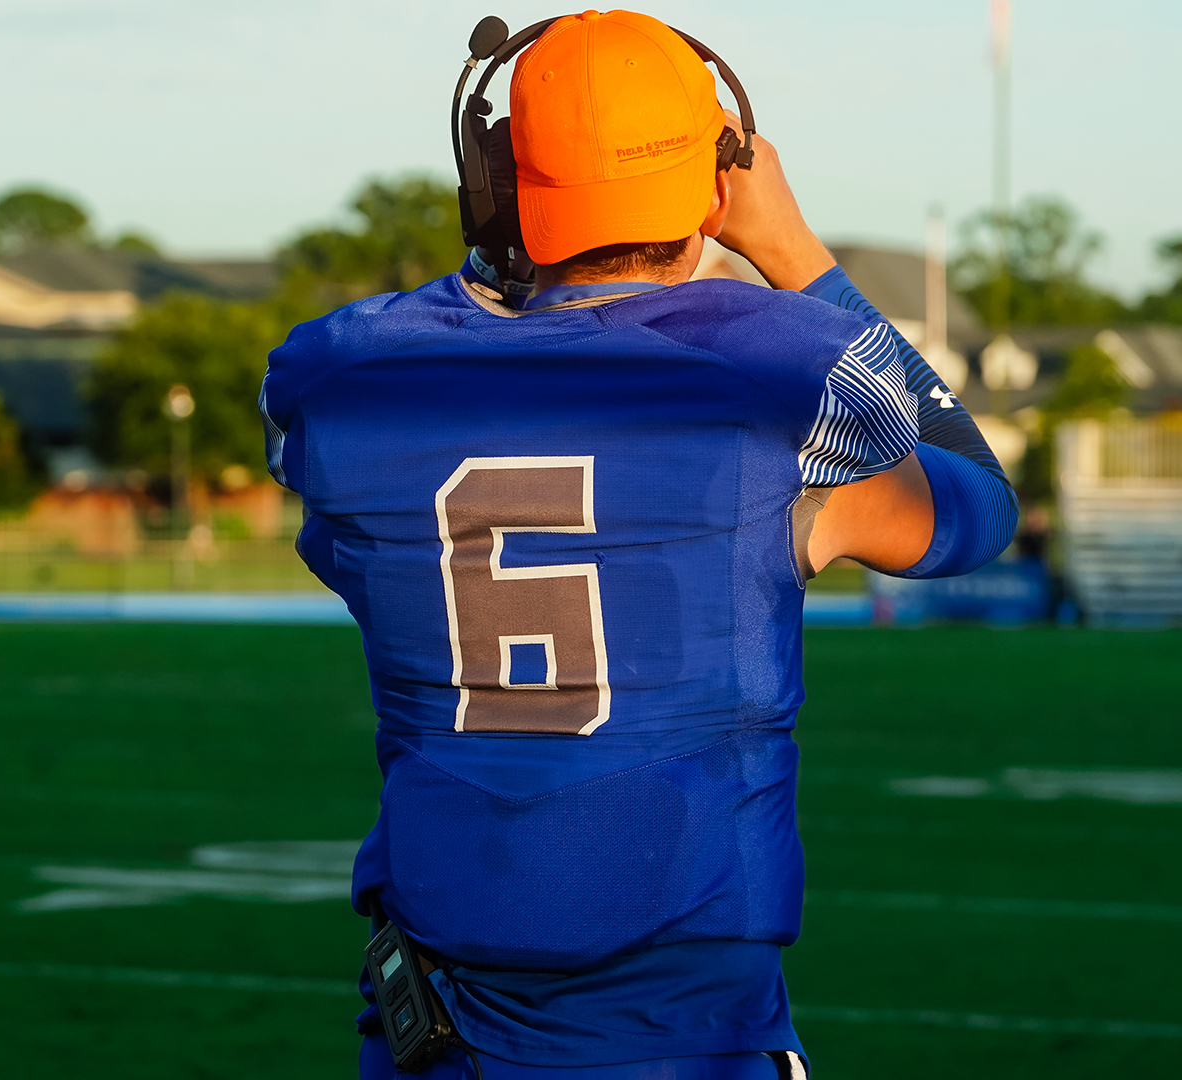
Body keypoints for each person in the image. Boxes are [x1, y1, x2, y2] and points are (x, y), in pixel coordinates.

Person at [260, 11, 1016, 1076]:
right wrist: (793, 251)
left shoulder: (344, 379)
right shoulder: (778, 373)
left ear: (493, 172)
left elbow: (335, 520)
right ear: (718, 183)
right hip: (681, 1035)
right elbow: (977, 507)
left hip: (439, 1031)